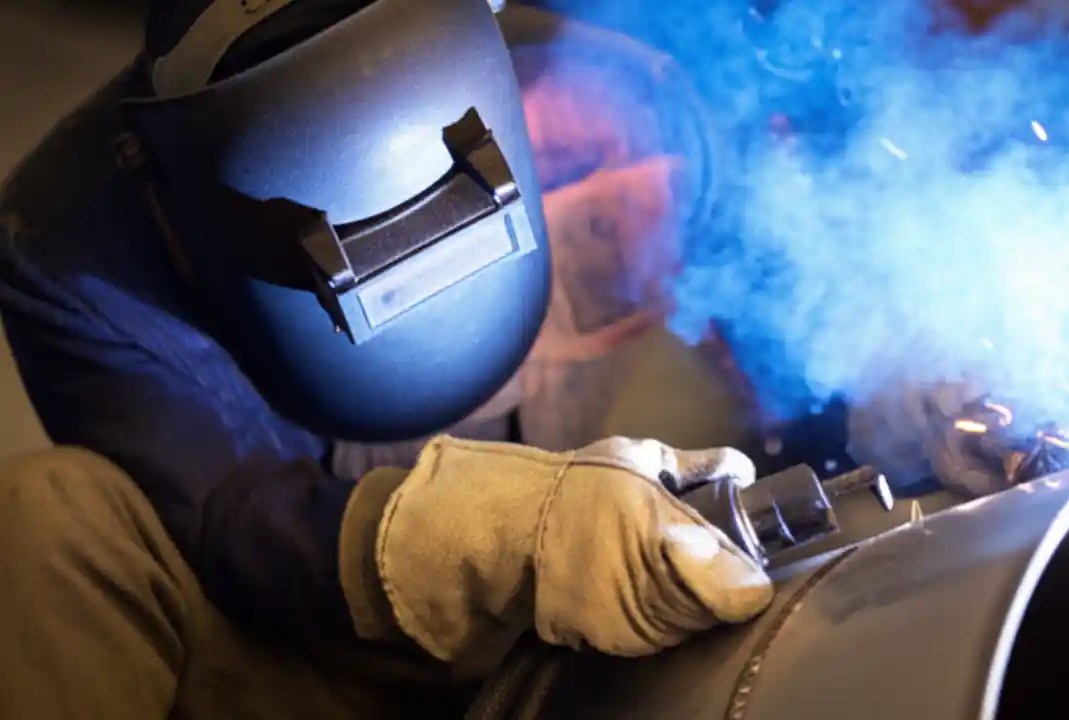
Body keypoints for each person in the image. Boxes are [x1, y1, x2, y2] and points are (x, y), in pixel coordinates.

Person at [0, 0, 774, 717]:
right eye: (564, 166)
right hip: (296, 635)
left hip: (514, 632)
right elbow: (237, 520)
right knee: (58, 515)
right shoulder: (67, 249)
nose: (583, 193)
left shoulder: (563, 74)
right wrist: (497, 533)